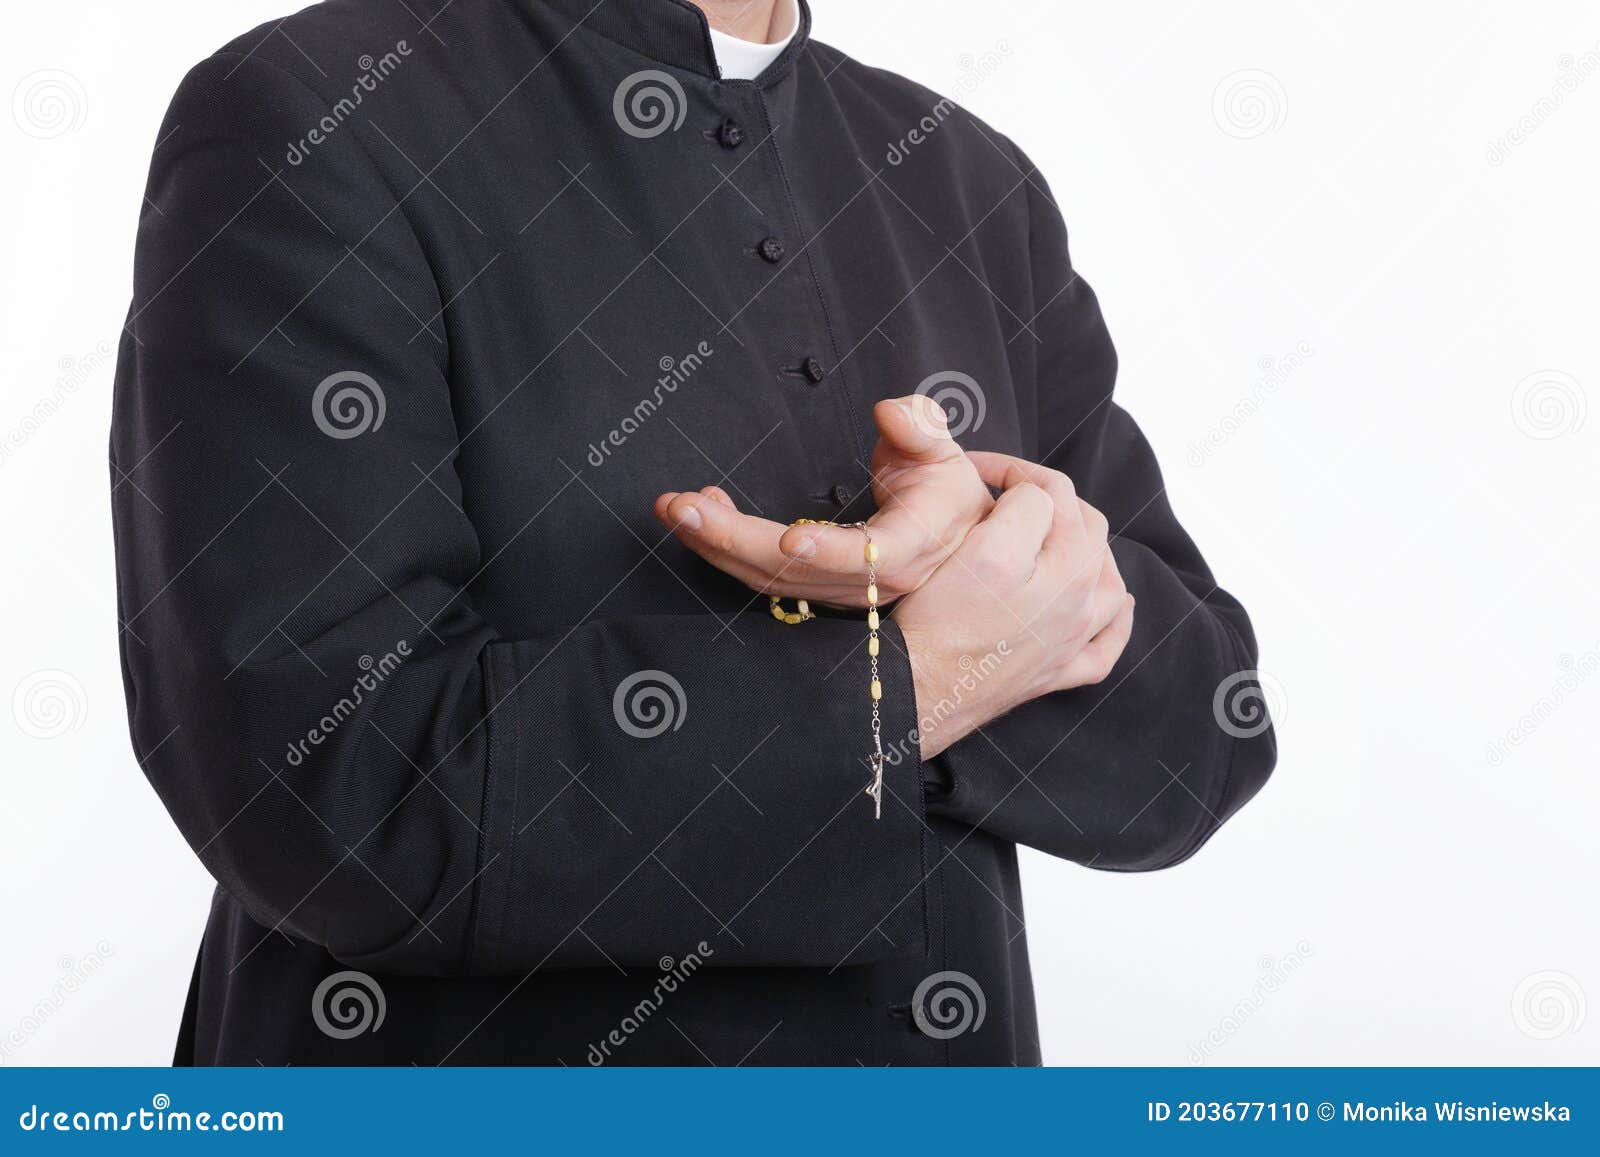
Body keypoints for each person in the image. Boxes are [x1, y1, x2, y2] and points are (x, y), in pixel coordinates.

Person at [111, 0, 1275, 1065]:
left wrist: (982, 566)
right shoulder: (315, 112)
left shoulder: (967, 180)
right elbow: (323, 789)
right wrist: (914, 680)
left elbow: (1205, 742)